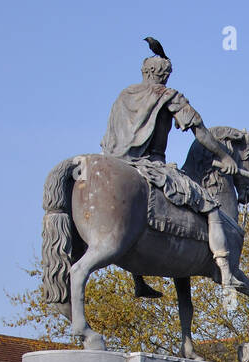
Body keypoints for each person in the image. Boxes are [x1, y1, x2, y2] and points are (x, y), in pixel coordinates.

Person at [100, 42, 240, 292]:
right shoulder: (167, 95)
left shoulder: (124, 95)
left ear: (144, 72)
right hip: (150, 164)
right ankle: (226, 271)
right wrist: (225, 156)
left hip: (115, 161)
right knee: (209, 205)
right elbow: (201, 132)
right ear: (163, 75)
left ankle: (138, 279)